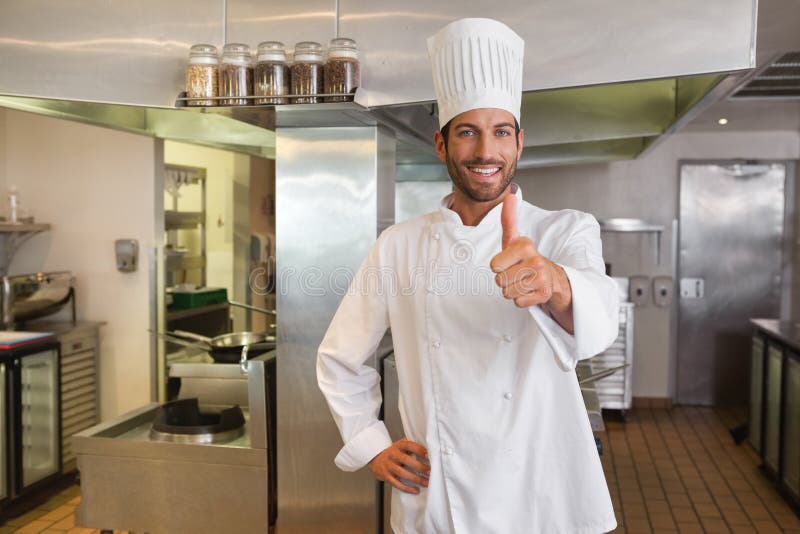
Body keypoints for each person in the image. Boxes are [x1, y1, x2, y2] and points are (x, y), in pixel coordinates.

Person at [317, 18, 620, 534]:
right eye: (468, 132)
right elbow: (340, 358)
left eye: (501, 132)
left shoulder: (565, 231)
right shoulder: (400, 245)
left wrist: (552, 283)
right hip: (438, 497)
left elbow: (600, 317)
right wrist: (371, 444)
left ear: (519, 143)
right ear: (441, 145)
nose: (486, 151)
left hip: (539, 498)